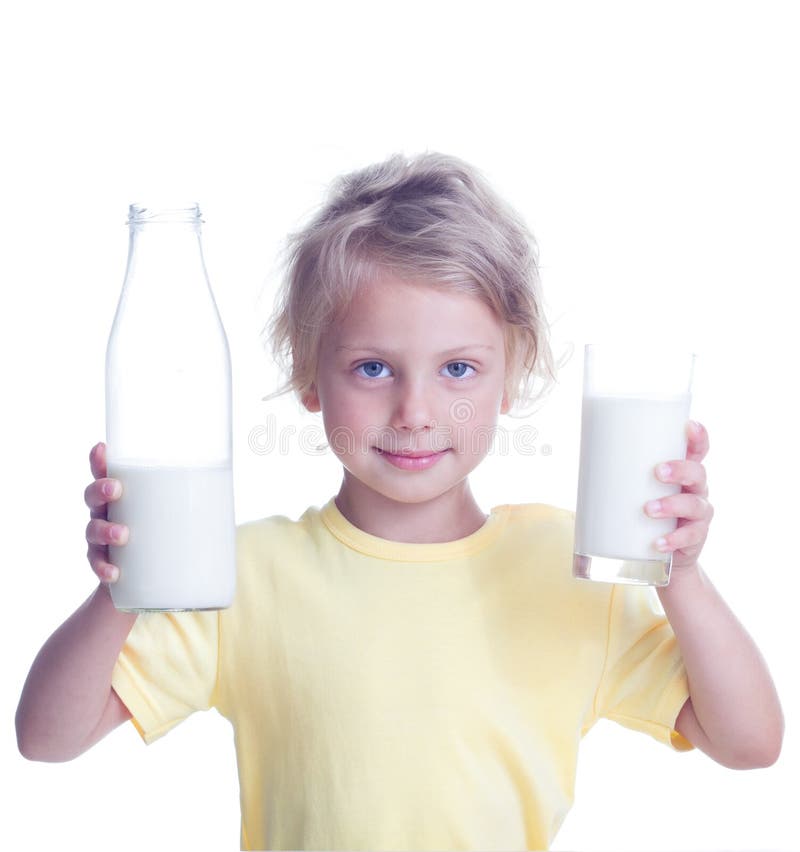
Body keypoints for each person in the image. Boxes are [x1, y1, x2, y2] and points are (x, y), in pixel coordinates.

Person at [16, 152, 784, 851]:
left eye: (457, 369)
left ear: (511, 374)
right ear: (309, 374)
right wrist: (122, 587)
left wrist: (681, 574)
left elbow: (749, 742)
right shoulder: (245, 573)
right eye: (374, 368)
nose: (416, 412)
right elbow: (47, 737)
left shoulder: (569, 566)